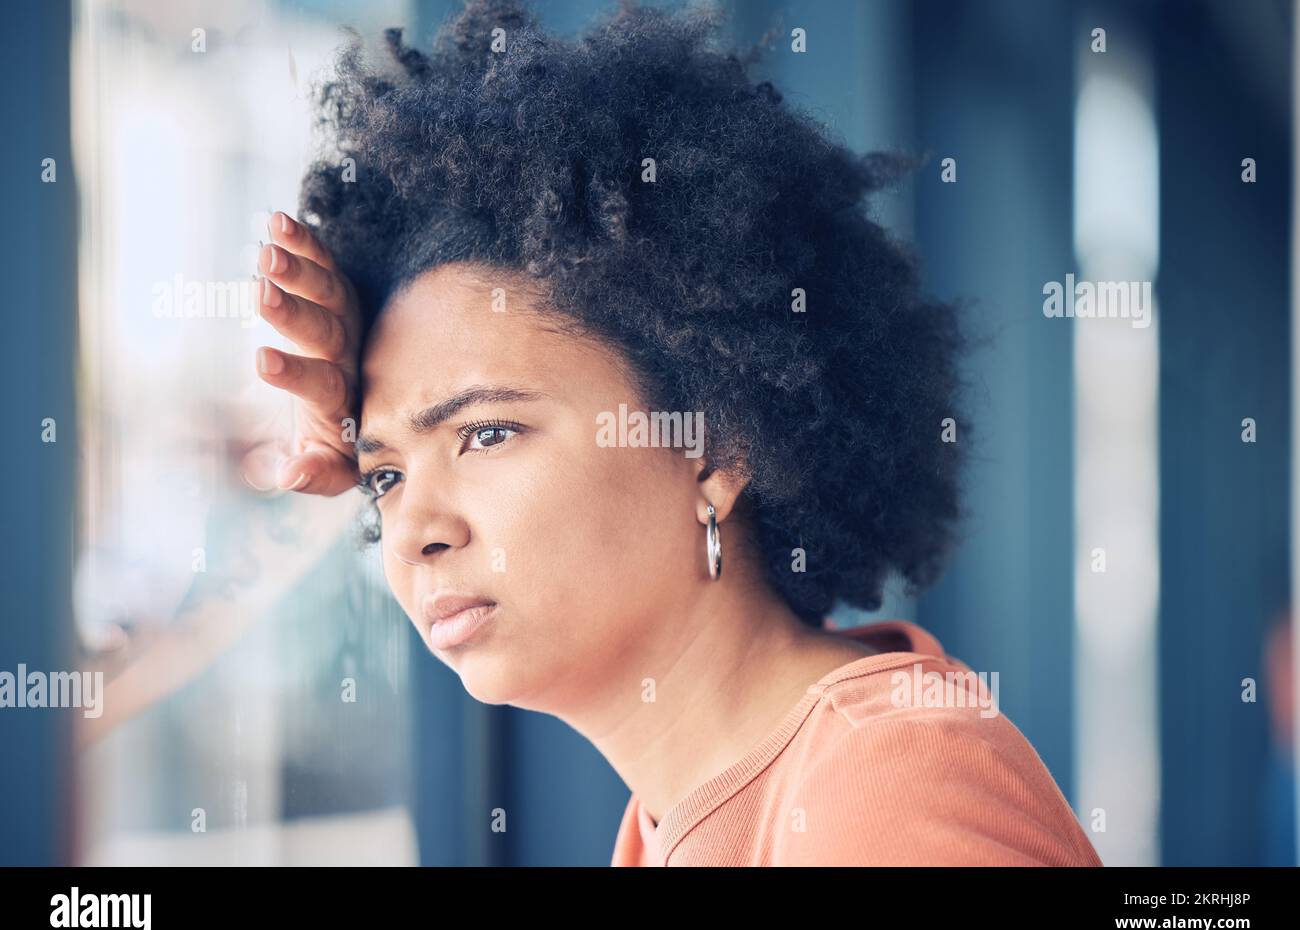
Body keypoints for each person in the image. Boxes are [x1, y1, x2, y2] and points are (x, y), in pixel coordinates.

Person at [245, 0, 1102, 866]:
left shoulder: (882, 792)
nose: (414, 533)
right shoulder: (687, 818)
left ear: (716, 447)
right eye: (384, 478)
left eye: (488, 433)